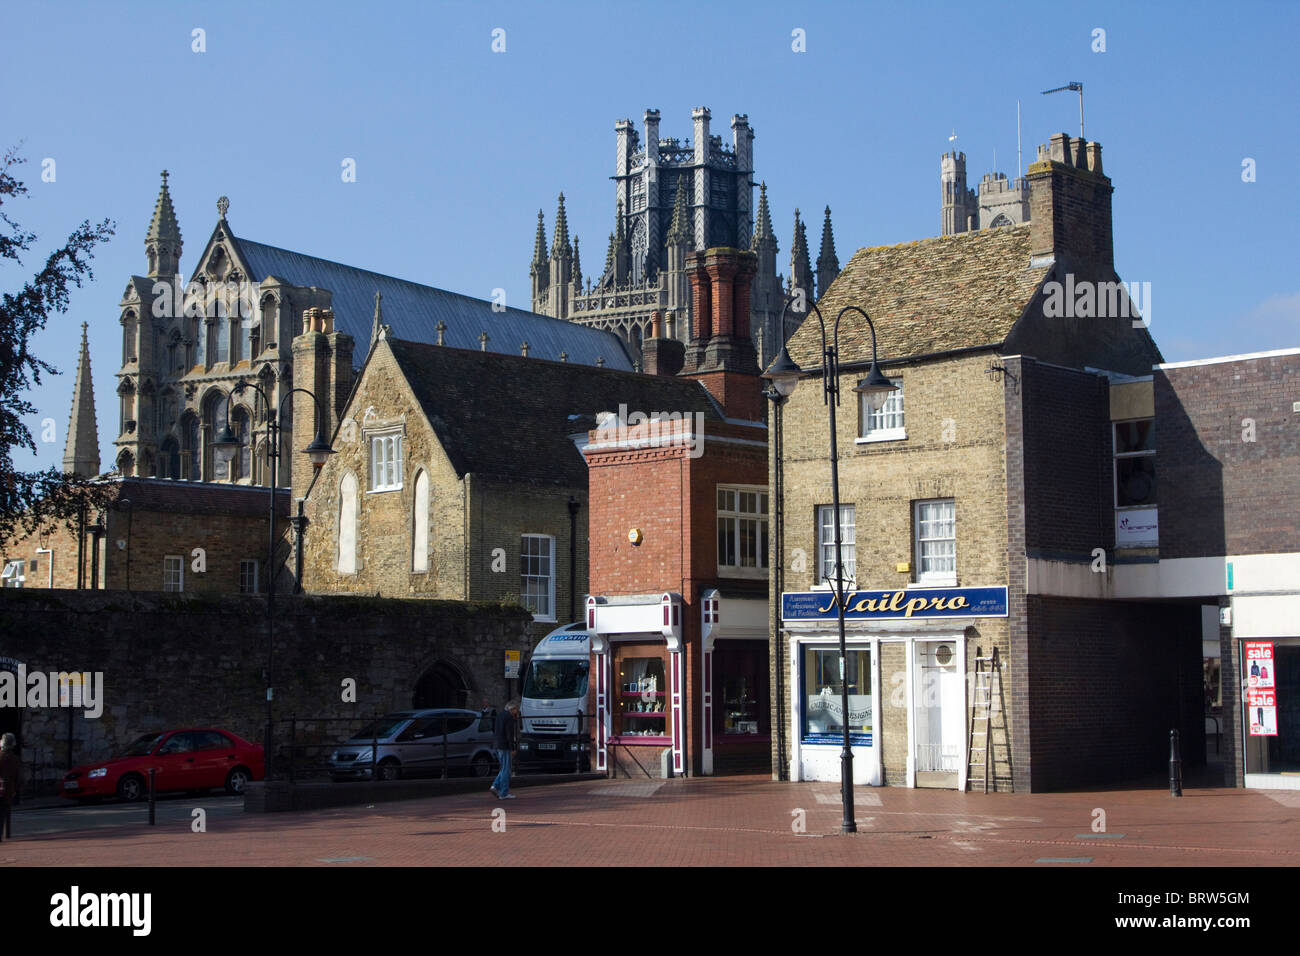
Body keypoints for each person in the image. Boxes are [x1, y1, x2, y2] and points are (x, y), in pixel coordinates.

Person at [490, 701, 519, 799]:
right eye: (516, 710)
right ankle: (503, 792)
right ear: (512, 709)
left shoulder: (500, 715)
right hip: (504, 746)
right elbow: (509, 734)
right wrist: (512, 748)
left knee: (503, 768)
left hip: (497, 744)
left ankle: (495, 786)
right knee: (506, 769)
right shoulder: (509, 717)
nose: (516, 712)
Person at [0, 733, 21, 841]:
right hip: (8, 790)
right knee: (3, 813)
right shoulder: (15, 759)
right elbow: (17, 777)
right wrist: (16, 790)